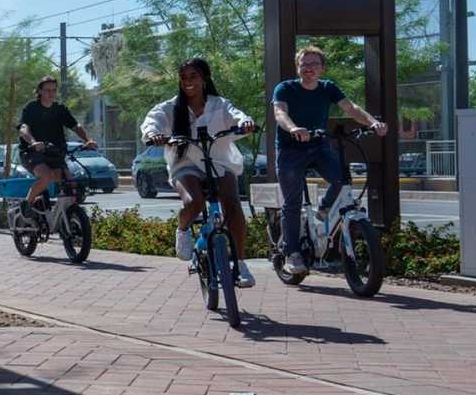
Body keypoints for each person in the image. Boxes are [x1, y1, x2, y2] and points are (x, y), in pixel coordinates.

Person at [140, 57, 259, 288]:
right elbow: (151, 122)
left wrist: (245, 122)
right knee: (194, 202)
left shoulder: (219, 104)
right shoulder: (171, 107)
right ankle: (183, 230)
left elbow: (238, 115)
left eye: (193, 76)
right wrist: (154, 134)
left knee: (233, 205)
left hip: (219, 162)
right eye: (183, 77)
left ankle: (241, 263)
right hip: (185, 163)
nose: (188, 81)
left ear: (204, 78)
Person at [272, 45, 387, 275]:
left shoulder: (328, 88)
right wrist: (294, 127)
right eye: (304, 64)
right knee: (292, 203)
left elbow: (350, 107)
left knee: (342, 180)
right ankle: (292, 253)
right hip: (290, 150)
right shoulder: (285, 88)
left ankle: (323, 209)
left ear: (322, 68)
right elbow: (280, 114)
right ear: (298, 67)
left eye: (314, 64)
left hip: (318, 146)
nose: (309, 69)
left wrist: (372, 122)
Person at [16, 77, 96, 220]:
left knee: (69, 184)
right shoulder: (31, 108)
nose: (51, 93)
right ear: (39, 91)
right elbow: (23, 128)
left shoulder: (60, 109)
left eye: (54, 90)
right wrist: (33, 142)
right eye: (47, 90)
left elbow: (75, 125)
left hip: (55, 152)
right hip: (32, 152)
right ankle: (27, 204)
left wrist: (88, 140)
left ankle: (67, 218)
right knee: (46, 177)